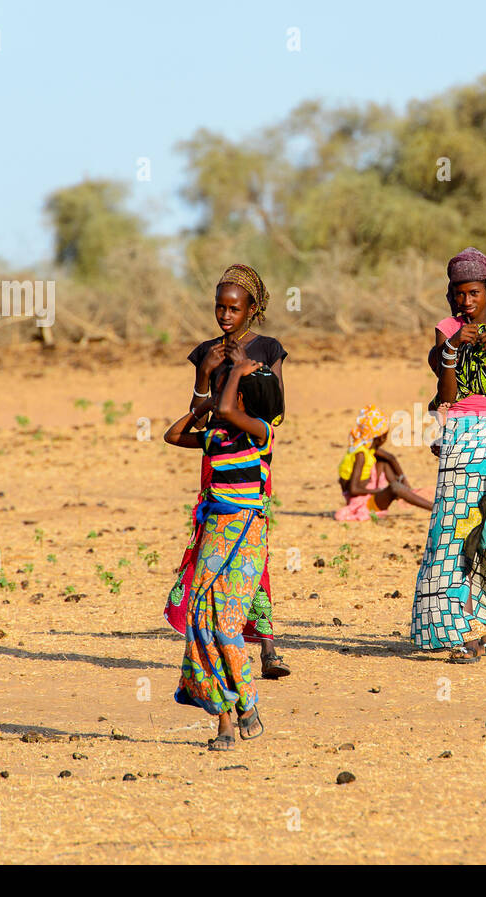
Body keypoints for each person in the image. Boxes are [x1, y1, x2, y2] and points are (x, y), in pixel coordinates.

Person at [411, 247, 486, 663]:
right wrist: (451, 352)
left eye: (474, 293)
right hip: (460, 436)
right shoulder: (445, 330)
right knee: (452, 533)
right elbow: (446, 395)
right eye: (459, 294)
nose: (466, 302)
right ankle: (458, 633)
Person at [163, 357, 283, 748]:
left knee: (226, 627)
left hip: (245, 539)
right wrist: (202, 407)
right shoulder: (218, 436)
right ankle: (224, 723)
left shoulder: (259, 433)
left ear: (242, 395)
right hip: (213, 537)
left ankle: (248, 704)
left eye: (227, 391)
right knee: (199, 627)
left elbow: (229, 408)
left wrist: (231, 380)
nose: (221, 400)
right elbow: (173, 435)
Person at [183, 265, 290, 677]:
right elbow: (196, 415)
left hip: (254, 456)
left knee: (253, 549)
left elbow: (277, 412)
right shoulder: (206, 351)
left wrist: (247, 365)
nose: (225, 316)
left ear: (252, 309)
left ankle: (266, 647)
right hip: (217, 456)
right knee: (212, 544)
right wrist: (203, 374)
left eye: (234, 308)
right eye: (219, 307)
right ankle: (214, 636)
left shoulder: (267, 348)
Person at [335, 405, 433, 521]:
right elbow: (354, 489)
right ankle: (435, 509)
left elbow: (391, 458)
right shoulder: (360, 455)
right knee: (394, 487)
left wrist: (405, 482)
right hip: (363, 505)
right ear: (381, 438)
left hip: (369, 496)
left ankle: (404, 492)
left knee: (384, 463)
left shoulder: (368, 448)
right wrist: (382, 491)